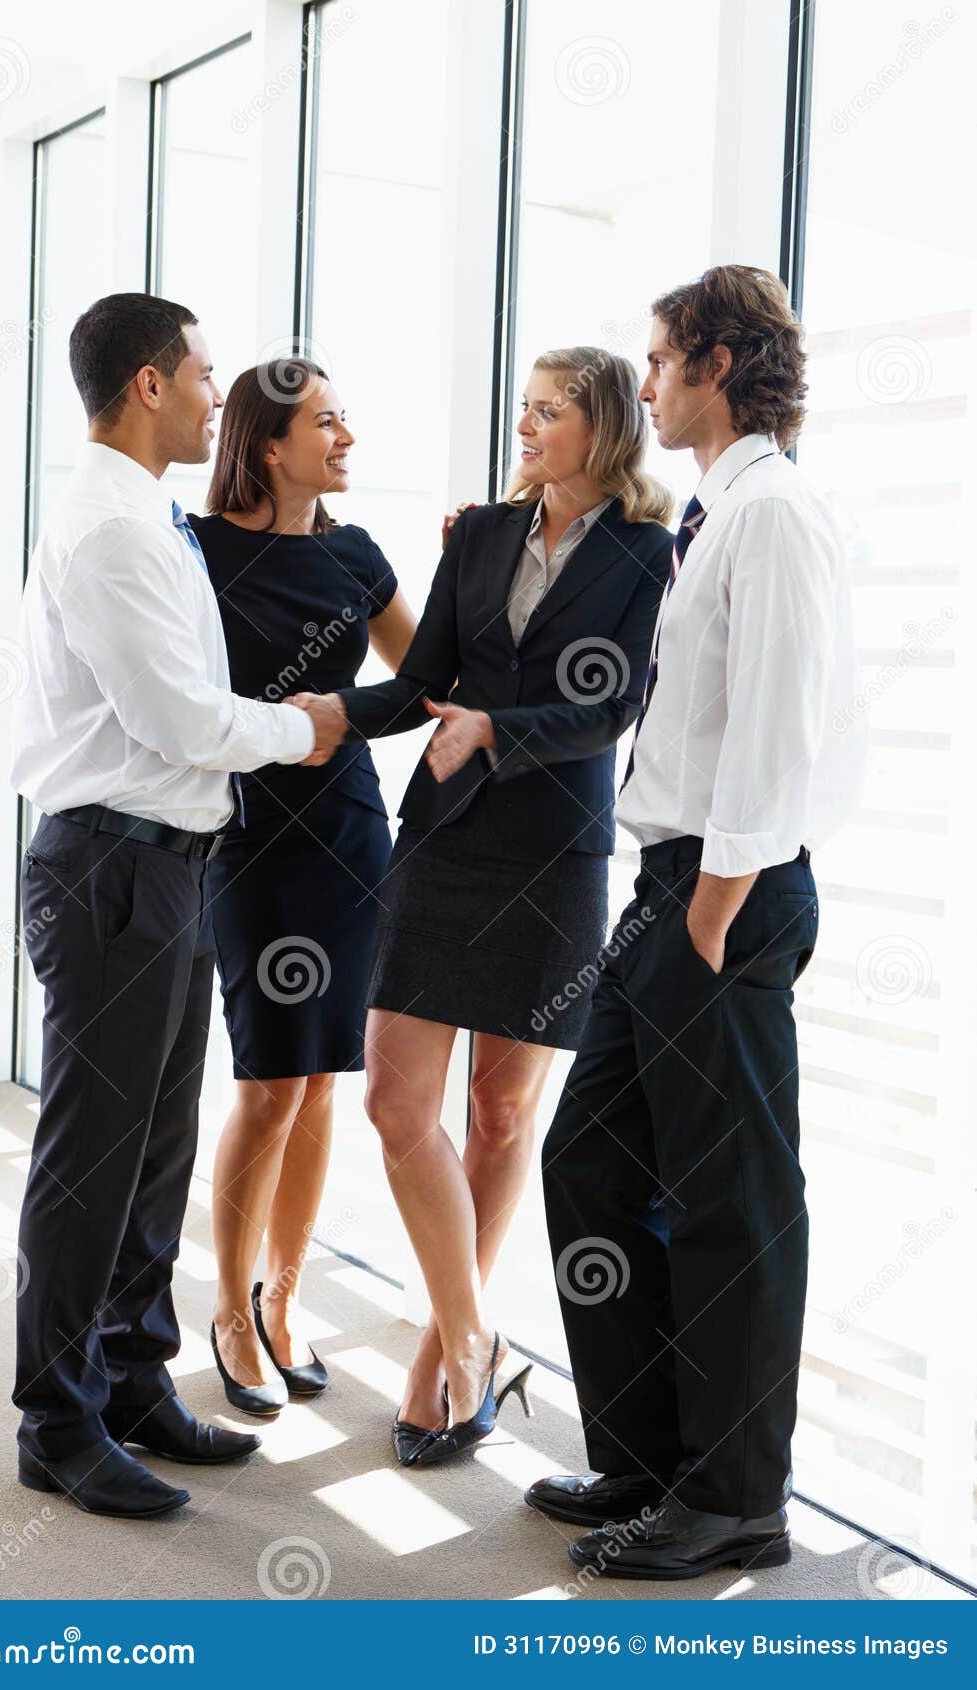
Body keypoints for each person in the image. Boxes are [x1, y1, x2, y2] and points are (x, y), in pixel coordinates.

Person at [530, 266, 865, 1579]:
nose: (647, 382)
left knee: (731, 1202)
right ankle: (650, 1453)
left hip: (720, 893)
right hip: (666, 891)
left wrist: (711, 912)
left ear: (718, 362)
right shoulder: (711, 517)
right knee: (593, 1164)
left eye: (660, 360)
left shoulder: (773, 514)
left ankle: (732, 1496)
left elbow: (778, 735)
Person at [298, 347, 674, 1466]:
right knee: (396, 1102)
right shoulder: (479, 535)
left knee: (503, 1115)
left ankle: (440, 1363)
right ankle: (473, 1330)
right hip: (448, 841)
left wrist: (500, 729)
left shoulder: (650, 554)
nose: (525, 427)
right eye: (523, 409)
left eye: (546, 412)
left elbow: (611, 708)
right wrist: (326, 714)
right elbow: (424, 681)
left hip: (553, 852)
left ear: (600, 428)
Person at [9, 293, 343, 1519]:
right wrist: (303, 728)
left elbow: (186, 708)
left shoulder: (145, 516)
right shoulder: (107, 530)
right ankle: (56, 1416)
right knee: (91, 1155)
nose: (217, 395)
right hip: (114, 869)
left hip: (165, 865)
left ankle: (132, 1378)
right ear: (148, 386)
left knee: (153, 1145)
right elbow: (179, 720)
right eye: (202, 375)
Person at [190, 360, 417, 1415]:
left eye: (346, 417)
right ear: (268, 445)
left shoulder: (354, 553)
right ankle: (229, 1309)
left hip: (349, 837)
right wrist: (290, 726)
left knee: (321, 1074)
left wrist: (334, 714)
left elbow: (425, 684)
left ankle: (283, 1298)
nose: (347, 438)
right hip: (243, 838)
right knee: (267, 1080)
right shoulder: (196, 552)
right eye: (326, 423)